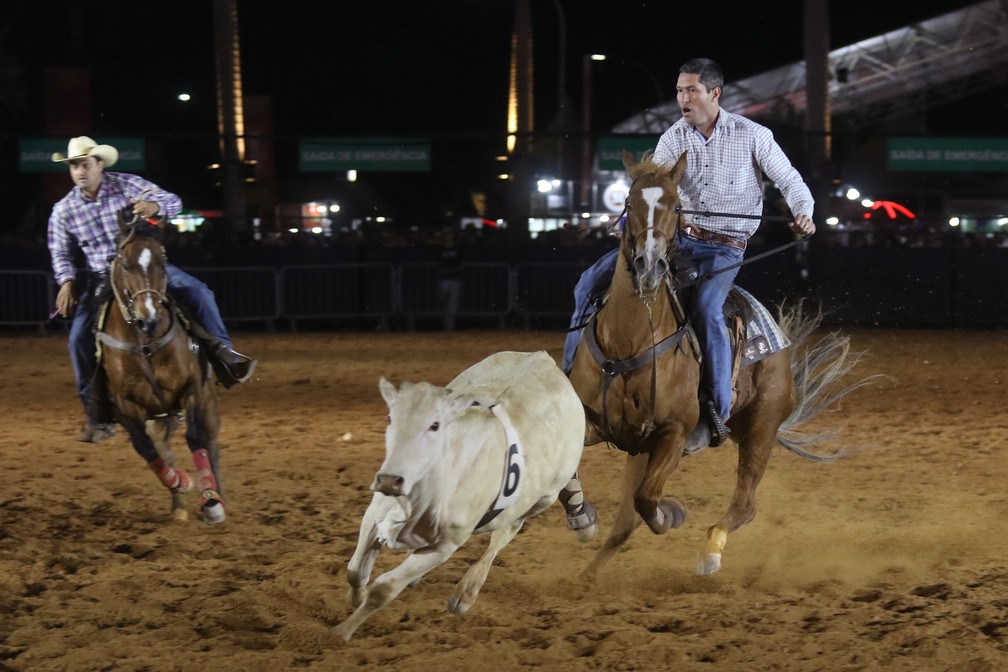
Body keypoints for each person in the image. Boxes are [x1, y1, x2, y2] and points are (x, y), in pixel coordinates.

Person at [562, 58, 816, 450]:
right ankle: (569, 377)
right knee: (588, 283)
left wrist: (803, 211)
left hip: (724, 247)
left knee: (708, 308)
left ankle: (717, 405)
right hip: (677, 242)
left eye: (691, 90)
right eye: (680, 90)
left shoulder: (753, 135)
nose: (683, 97)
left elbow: (789, 179)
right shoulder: (672, 138)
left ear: (714, 94)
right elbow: (654, 186)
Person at [47, 136, 257, 443]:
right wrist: (66, 281)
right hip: (103, 276)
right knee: (78, 339)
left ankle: (225, 355)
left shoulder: (127, 185)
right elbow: (60, 252)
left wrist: (154, 205)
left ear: (99, 165)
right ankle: (97, 414)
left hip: (144, 268)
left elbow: (175, 202)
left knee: (199, 293)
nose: (80, 171)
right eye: (74, 166)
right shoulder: (64, 209)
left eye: (85, 164)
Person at [435, 227, 463, 331]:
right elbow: (436, 263)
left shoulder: (458, 248)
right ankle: (444, 324)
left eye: (449, 234)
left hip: (455, 278)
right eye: (446, 234)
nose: (448, 236)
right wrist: (442, 270)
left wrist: (454, 270)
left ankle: (450, 327)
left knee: (453, 304)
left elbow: (463, 263)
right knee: (443, 302)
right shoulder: (439, 249)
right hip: (443, 279)